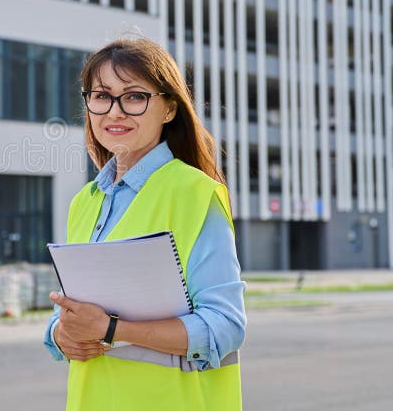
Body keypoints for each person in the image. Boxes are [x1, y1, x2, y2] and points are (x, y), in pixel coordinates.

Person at [44, 37, 246, 410]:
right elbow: (71, 316)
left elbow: (226, 327)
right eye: (102, 96)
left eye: (134, 97)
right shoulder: (84, 202)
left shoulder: (194, 192)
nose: (114, 112)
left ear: (169, 108)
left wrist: (110, 330)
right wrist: (60, 335)